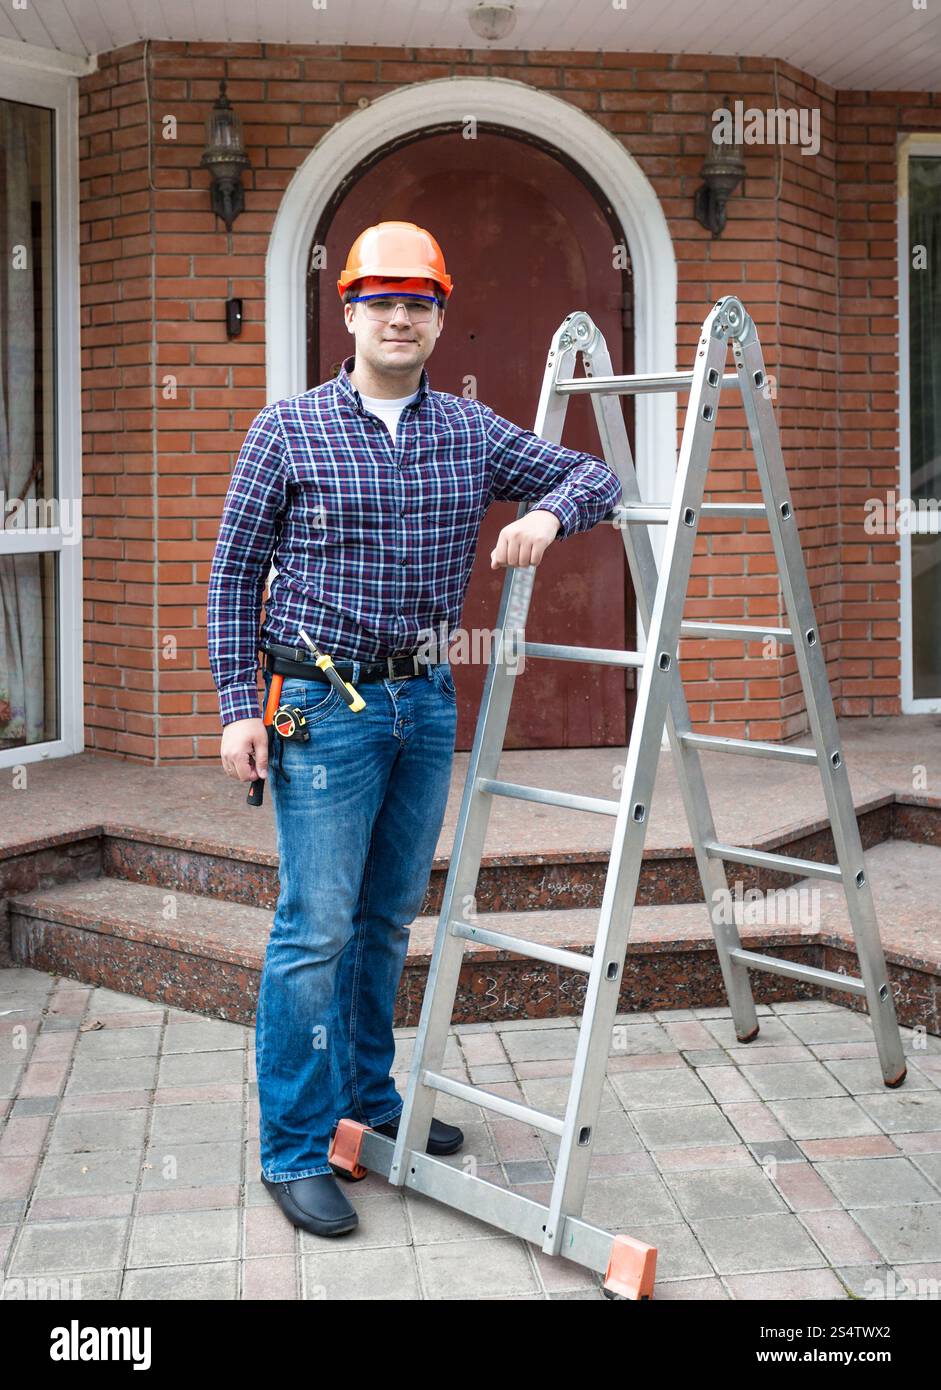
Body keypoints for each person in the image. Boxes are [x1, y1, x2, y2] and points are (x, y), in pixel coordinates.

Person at [206, 220, 623, 1238]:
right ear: (347, 313)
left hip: (423, 702)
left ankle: (370, 1109)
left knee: (388, 921)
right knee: (315, 927)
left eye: (419, 301)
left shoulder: (468, 432)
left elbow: (596, 477)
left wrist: (543, 518)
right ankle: (296, 1149)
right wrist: (231, 705)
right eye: (381, 300)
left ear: (438, 319)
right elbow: (228, 574)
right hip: (316, 708)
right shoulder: (286, 428)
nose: (400, 316)